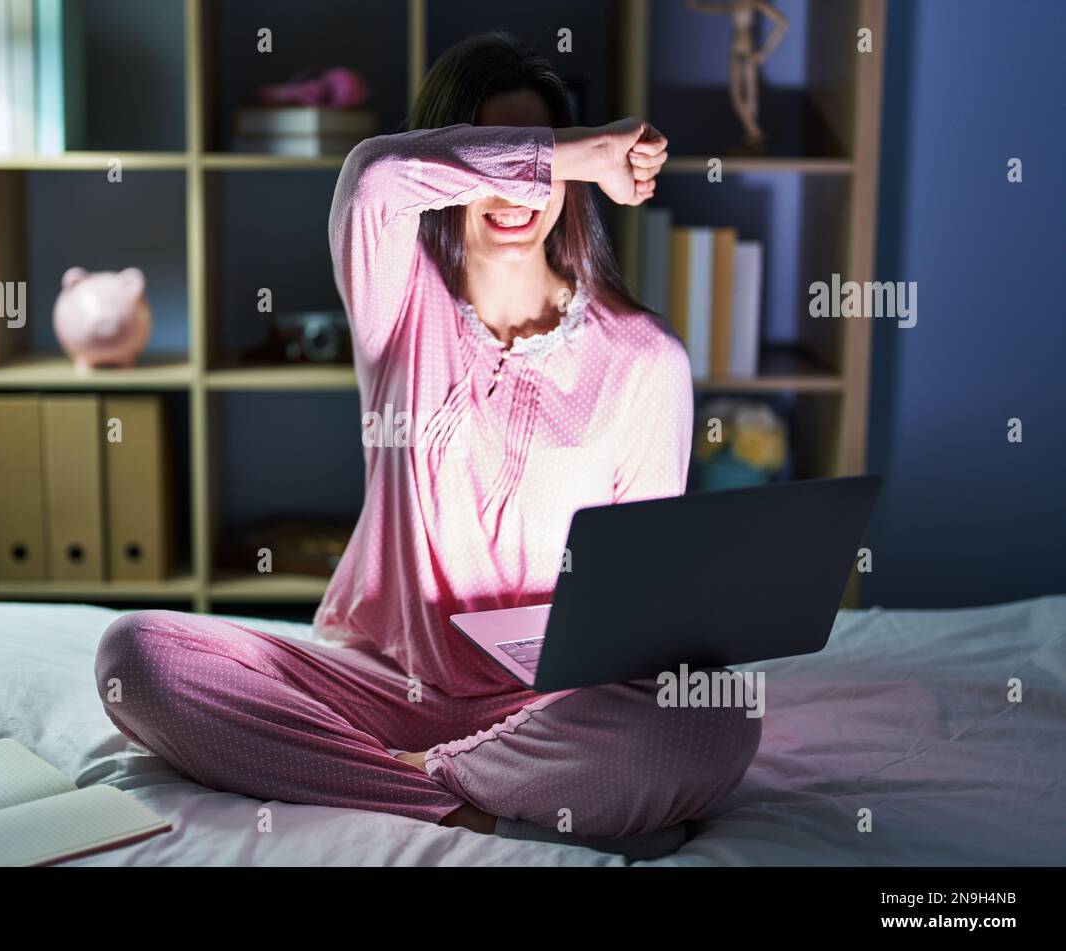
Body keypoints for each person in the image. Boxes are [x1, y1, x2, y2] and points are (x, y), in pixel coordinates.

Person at [95, 32, 761, 857]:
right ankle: (456, 803)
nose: (522, 186)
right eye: (497, 159)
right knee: (138, 654)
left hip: (548, 707)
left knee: (715, 718)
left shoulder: (643, 361)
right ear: (452, 169)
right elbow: (375, 175)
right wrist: (573, 151)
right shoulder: (400, 306)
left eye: (542, 168)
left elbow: (643, 607)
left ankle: (414, 776)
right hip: (378, 681)